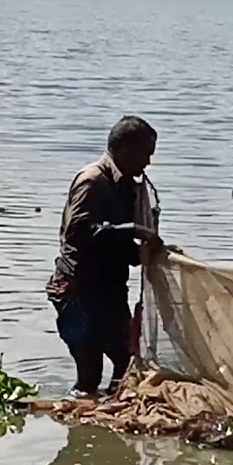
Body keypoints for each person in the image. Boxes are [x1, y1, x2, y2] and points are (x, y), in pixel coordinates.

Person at [46, 115, 163, 397]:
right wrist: (132, 229)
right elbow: (79, 234)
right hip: (80, 290)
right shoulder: (93, 181)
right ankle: (83, 430)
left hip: (109, 290)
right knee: (89, 375)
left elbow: (114, 246)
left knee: (125, 363)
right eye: (145, 154)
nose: (147, 163)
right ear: (124, 149)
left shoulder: (126, 185)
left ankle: (107, 417)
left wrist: (145, 252)